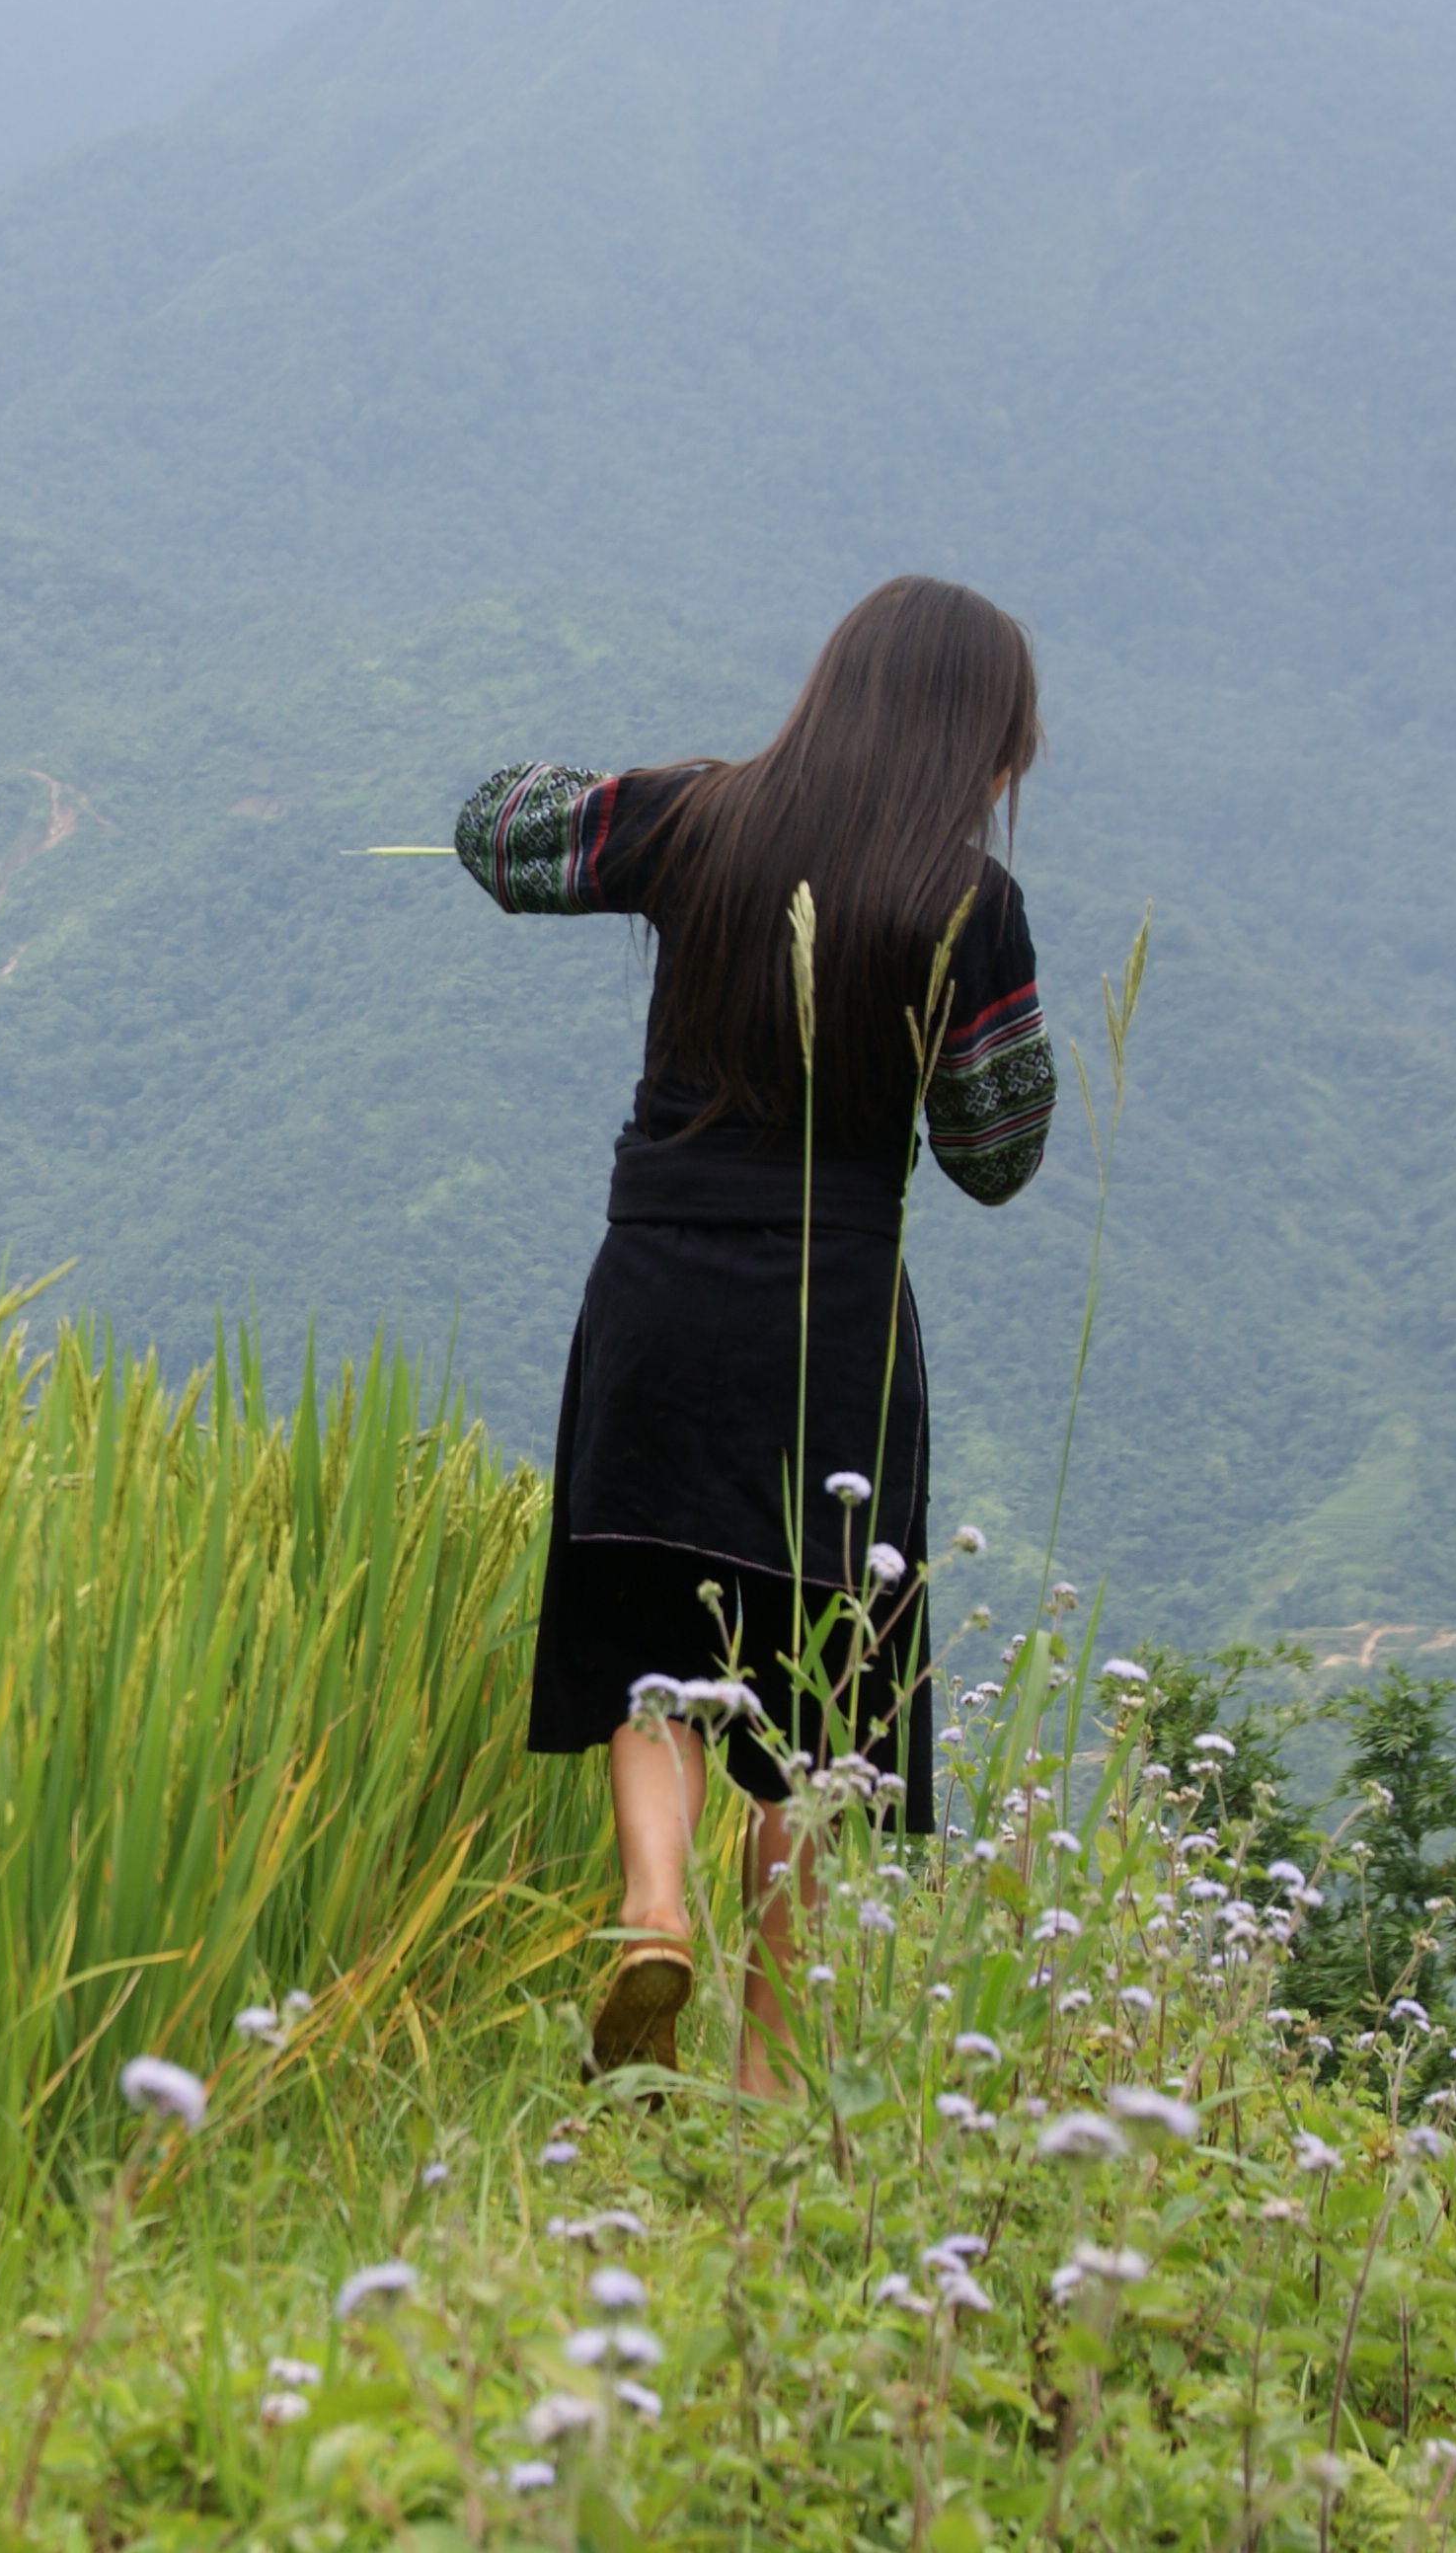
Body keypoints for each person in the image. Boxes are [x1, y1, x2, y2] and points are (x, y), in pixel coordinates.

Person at [447, 576, 1054, 2097]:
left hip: (654, 1291)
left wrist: (659, 804)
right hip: (831, 1317)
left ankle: (652, 1908)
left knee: (653, 1637)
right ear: (981, 739)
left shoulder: (693, 821)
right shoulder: (968, 900)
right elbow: (995, 1154)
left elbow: (495, 831)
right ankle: (769, 2076)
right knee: (821, 1691)